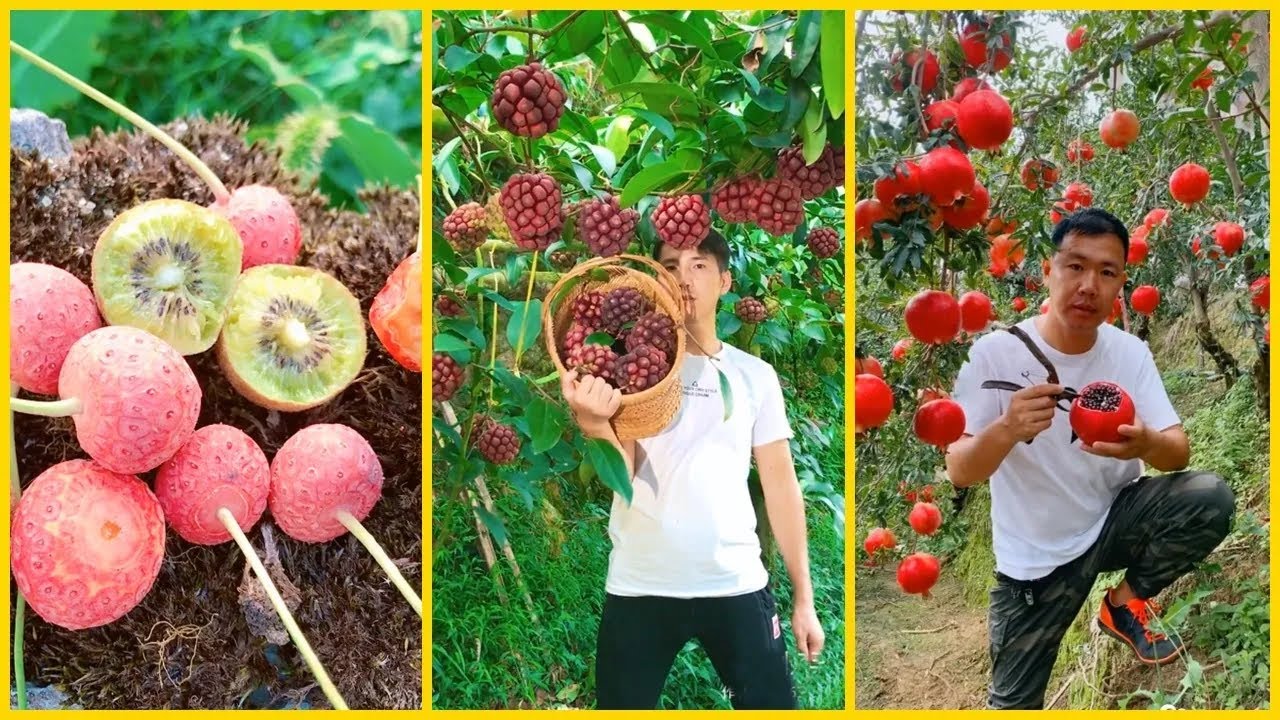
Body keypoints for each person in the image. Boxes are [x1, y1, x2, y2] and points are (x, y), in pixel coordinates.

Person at [945, 207, 1235, 710]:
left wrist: (1145, 442)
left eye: (1106, 272)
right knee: (1012, 704)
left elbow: (1178, 451)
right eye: (1075, 266)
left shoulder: (1130, 354)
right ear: (1047, 271)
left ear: (1121, 282)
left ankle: (1123, 605)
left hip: (1116, 520)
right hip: (1036, 563)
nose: (1088, 285)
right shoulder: (992, 355)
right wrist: (1008, 429)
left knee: (1209, 498)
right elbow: (960, 468)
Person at [559, 229, 824, 709]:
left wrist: (803, 600)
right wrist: (597, 424)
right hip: (641, 584)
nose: (684, 277)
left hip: (735, 582)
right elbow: (625, 477)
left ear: (724, 281)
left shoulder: (753, 377)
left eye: (699, 265)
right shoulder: (631, 369)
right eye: (671, 265)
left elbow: (782, 489)